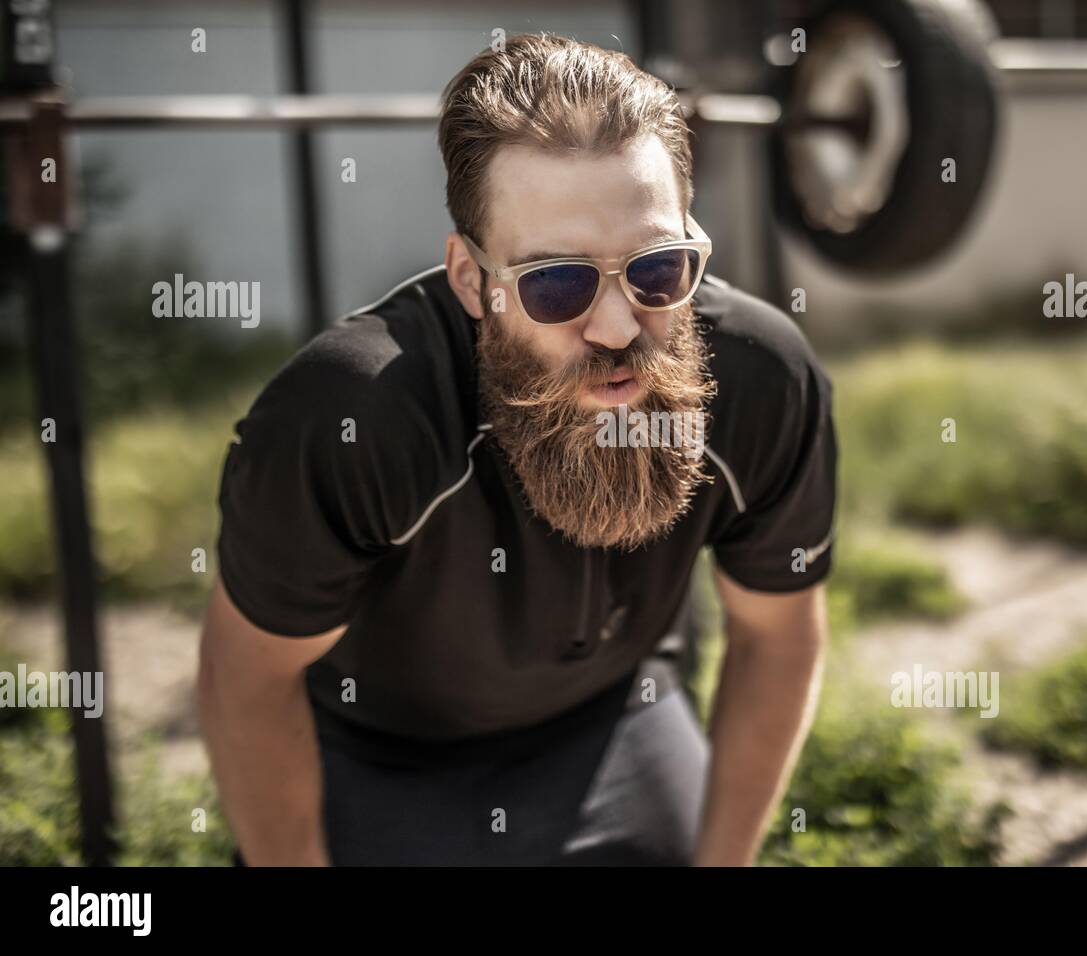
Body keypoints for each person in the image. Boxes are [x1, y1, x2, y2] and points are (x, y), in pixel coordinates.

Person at [198, 32, 837, 867]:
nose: (617, 328)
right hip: (375, 745)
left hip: (614, 711)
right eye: (556, 283)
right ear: (471, 280)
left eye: (658, 268)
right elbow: (246, 680)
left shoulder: (758, 379)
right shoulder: (350, 418)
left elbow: (778, 637)